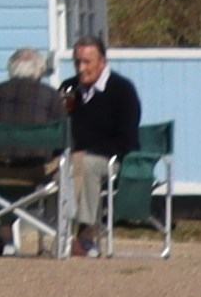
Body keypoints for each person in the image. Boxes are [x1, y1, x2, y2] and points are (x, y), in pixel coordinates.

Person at [0, 48, 71, 255]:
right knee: (64, 168)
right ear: (39, 71)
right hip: (36, 171)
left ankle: (4, 238)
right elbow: (63, 140)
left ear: (11, 69)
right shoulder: (51, 96)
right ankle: (53, 237)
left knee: (2, 171)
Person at [62, 37, 147, 259]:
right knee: (55, 164)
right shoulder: (69, 88)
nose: (81, 68)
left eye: (87, 62)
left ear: (102, 62)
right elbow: (58, 127)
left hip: (113, 160)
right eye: (77, 62)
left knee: (86, 164)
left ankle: (86, 235)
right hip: (72, 159)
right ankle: (49, 232)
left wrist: (89, 151)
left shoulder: (122, 90)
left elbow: (126, 141)